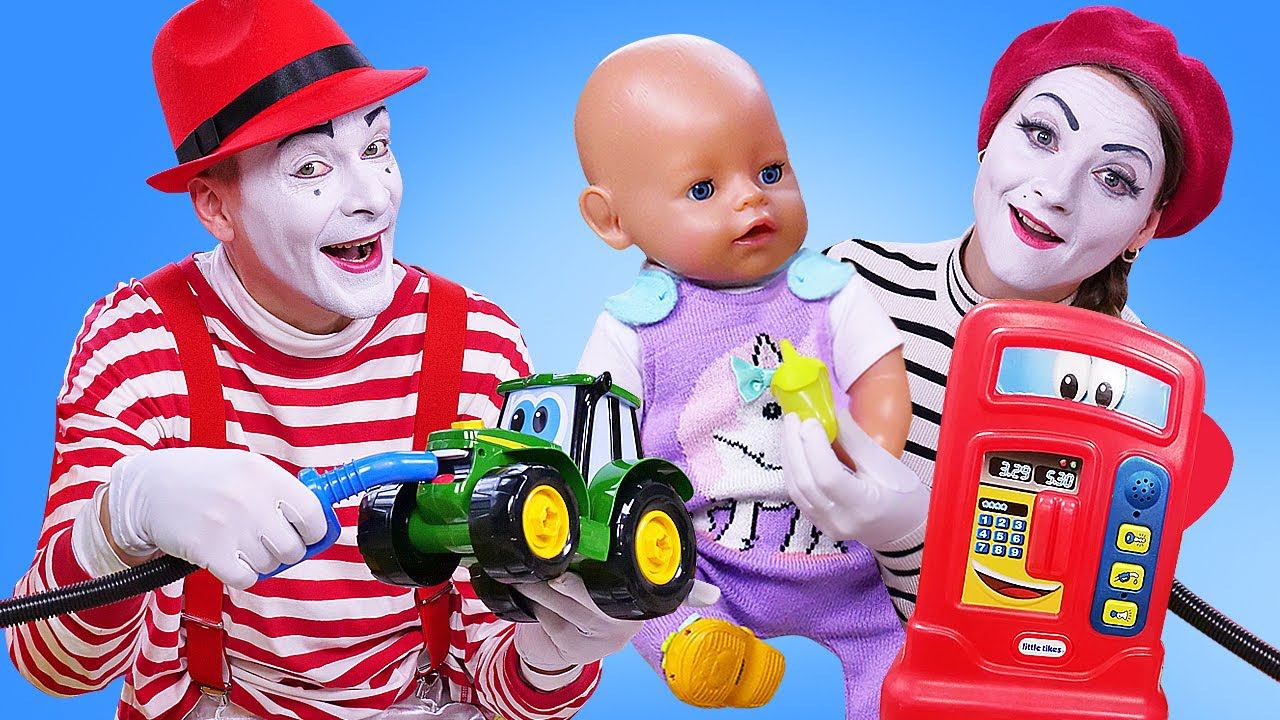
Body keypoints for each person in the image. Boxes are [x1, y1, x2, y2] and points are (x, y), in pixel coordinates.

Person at [4, 2, 649, 718]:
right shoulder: (139, 341)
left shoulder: (475, 341)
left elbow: (503, 692)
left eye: (376, 147)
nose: (372, 198)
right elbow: (53, 666)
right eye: (311, 167)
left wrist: (552, 656)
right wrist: (121, 521)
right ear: (216, 207)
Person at [822, 5, 1232, 619]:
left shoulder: (1142, 392)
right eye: (1042, 134)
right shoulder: (851, 281)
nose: (1056, 191)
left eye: (1114, 178)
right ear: (989, 135)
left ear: (1144, 227)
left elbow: (1040, 625)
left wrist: (903, 532)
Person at [571, 35, 929, 718]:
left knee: (897, 651)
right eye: (703, 189)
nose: (752, 199)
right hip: (703, 556)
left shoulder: (831, 292)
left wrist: (872, 463)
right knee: (633, 585)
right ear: (612, 219)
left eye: (770, 170)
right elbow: (600, 445)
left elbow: (883, 380)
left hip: (845, 559)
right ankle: (700, 647)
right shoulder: (633, 328)